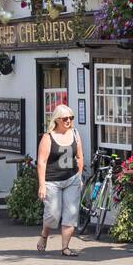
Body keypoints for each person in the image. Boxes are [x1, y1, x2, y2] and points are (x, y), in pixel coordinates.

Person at [36, 104, 82, 256]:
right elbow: (41, 162)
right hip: (52, 181)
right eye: (65, 118)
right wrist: (42, 185)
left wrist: (80, 177)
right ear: (57, 119)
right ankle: (44, 234)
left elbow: (79, 157)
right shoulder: (48, 137)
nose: (68, 121)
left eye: (71, 118)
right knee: (52, 214)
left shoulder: (75, 134)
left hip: (72, 179)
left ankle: (65, 248)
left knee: (71, 213)